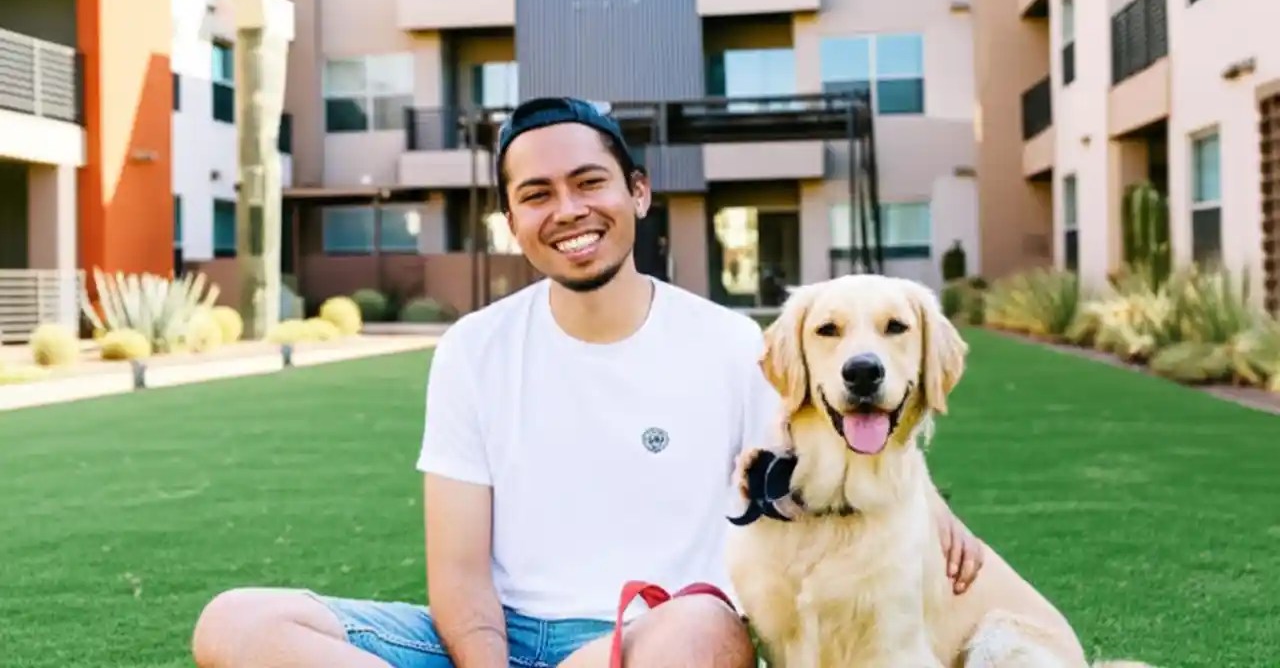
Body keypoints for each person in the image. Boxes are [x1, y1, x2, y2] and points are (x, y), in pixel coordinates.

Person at [190, 97, 985, 668]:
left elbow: (842, 454)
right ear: (512, 220)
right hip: (493, 640)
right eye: (536, 195)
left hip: (652, 638)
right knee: (238, 623)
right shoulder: (474, 349)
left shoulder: (729, 345)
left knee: (706, 633)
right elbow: (459, 569)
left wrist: (938, 510)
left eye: (588, 182)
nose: (567, 209)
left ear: (636, 191)